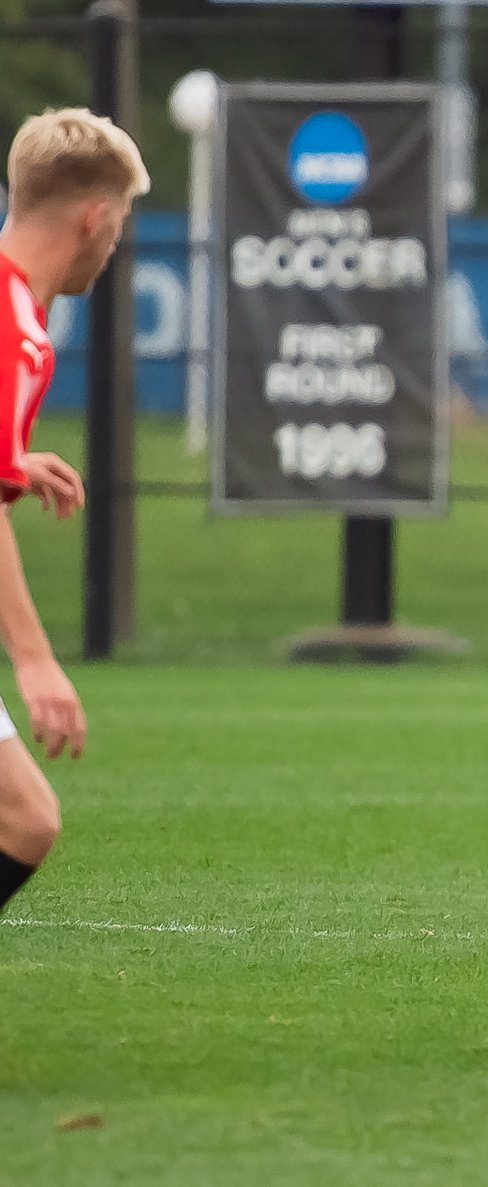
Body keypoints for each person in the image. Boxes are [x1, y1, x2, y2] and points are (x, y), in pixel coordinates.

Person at [0, 108, 149, 917]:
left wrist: (12, 463)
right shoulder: (15, 324)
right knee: (25, 819)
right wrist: (33, 659)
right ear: (94, 217)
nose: (115, 242)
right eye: (120, 222)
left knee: (25, 818)